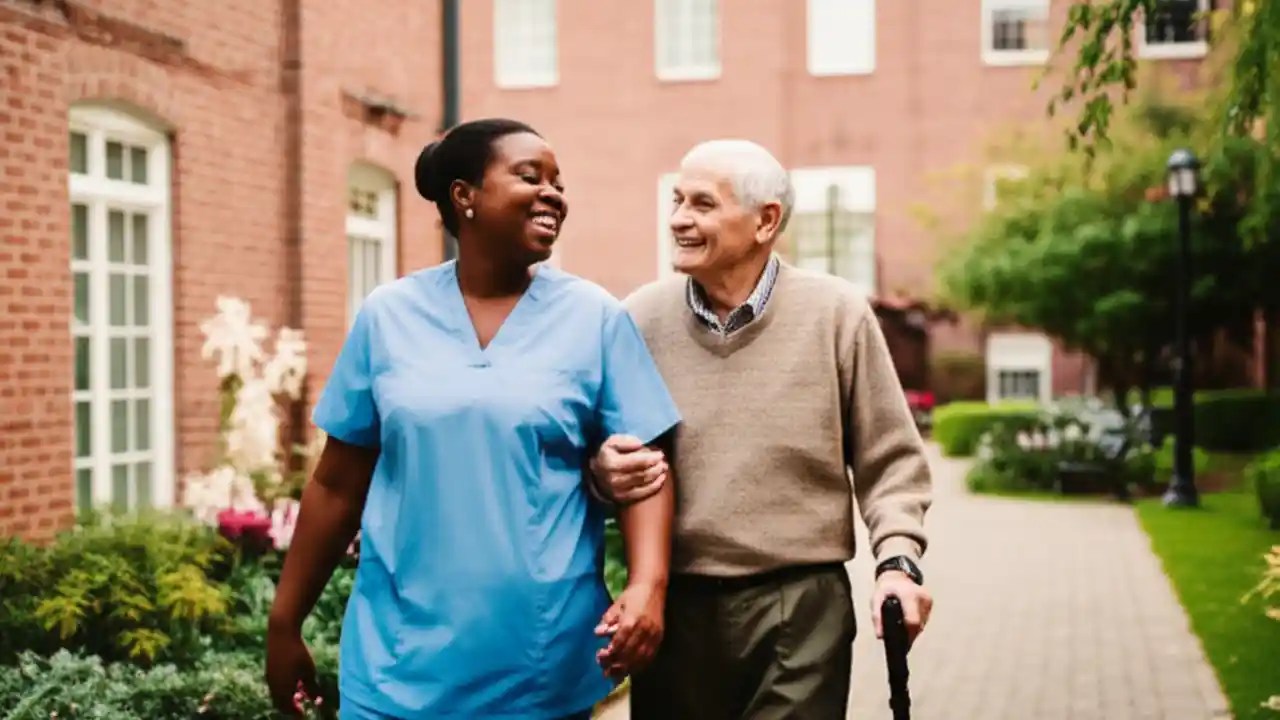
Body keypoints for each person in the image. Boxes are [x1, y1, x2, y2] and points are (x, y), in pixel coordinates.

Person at [265, 118, 681, 720]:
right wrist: (285, 623)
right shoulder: (388, 317)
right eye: (530, 176)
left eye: (559, 182)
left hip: (540, 668)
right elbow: (336, 483)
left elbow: (647, 464)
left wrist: (648, 587)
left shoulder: (593, 317)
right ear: (465, 197)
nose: (554, 194)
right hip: (395, 670)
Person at [590, 139, 935, 719]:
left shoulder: (836, 313)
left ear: (765, 220)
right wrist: (601, 471)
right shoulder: (638, 318)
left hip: (800, 607)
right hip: (677, 609)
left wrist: (897, 562)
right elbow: (597, 454)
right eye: (676, 201)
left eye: (702, 204)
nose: (678, 219)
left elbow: (891, 462)